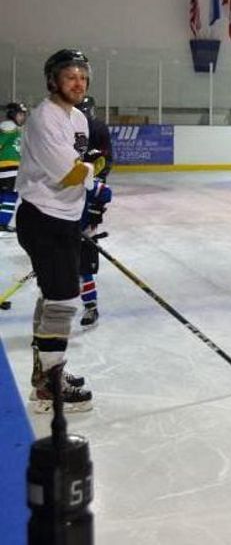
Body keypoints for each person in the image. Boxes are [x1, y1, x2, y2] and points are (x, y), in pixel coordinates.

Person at [16, 49, 107, 413]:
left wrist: (88, 177)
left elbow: (80, 170)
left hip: (63, 218)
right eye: (70, 77)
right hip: (44, 218)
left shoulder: (78, 119)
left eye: (83, 77)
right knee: (63, 301)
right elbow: (71, 174)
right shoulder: (44, 119)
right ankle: (49, 386)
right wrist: (95, 169)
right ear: (53, 80)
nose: (78, 83)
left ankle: (47, 376)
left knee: (55, 299)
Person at [75, 96, 113, 327]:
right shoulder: (64, 127)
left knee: (83, 266)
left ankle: (90, 305)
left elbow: (105, 161)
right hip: (64, 210)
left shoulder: (98, 128)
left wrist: (96, 208)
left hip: (86, 199)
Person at [0, 102, 27, 234]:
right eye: (20, 114)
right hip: (8, 169)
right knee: (10, 196)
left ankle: (2, 222)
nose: (22, 117)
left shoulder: (15, 128)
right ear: (12, 114)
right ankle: (2, 223)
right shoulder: (8, 126)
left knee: (5, 195)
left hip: (8, 169)